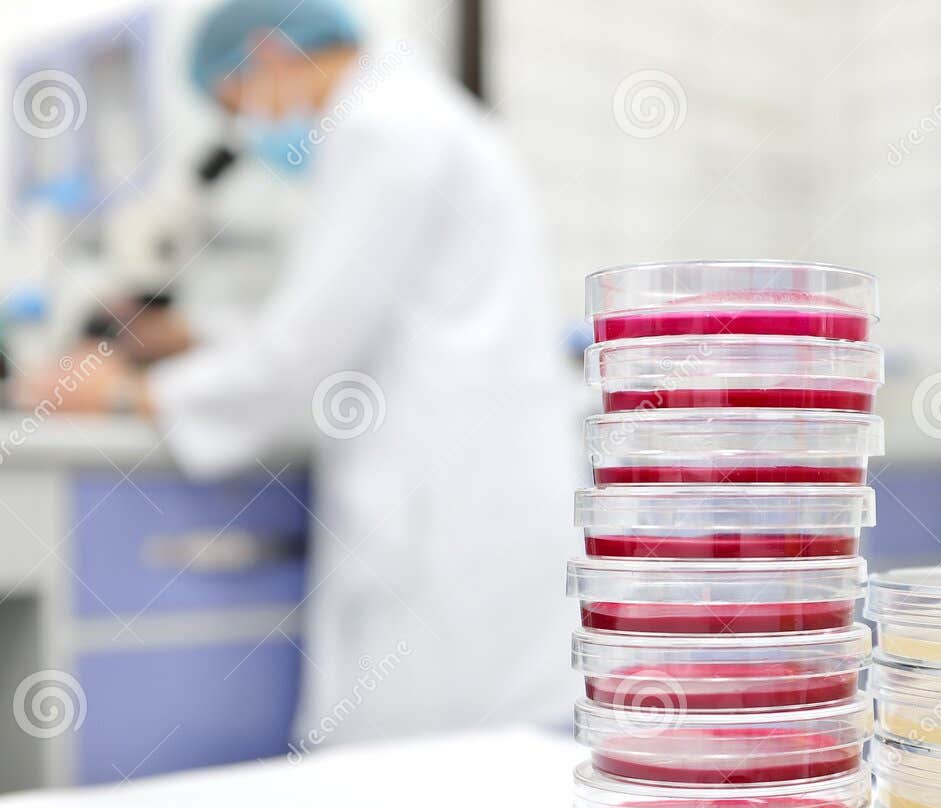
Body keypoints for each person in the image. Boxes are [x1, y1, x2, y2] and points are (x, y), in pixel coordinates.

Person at [18, 0, 581, 749]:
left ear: (268, 52)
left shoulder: (381, 130)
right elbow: (368, 324)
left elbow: (305, 358)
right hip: (484, 498)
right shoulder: (426, 115)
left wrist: (122, 392)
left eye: (236, 104)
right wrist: (192, 334)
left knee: (415, 779)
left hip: (441, 518)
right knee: (473, 776)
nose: (250, 132)